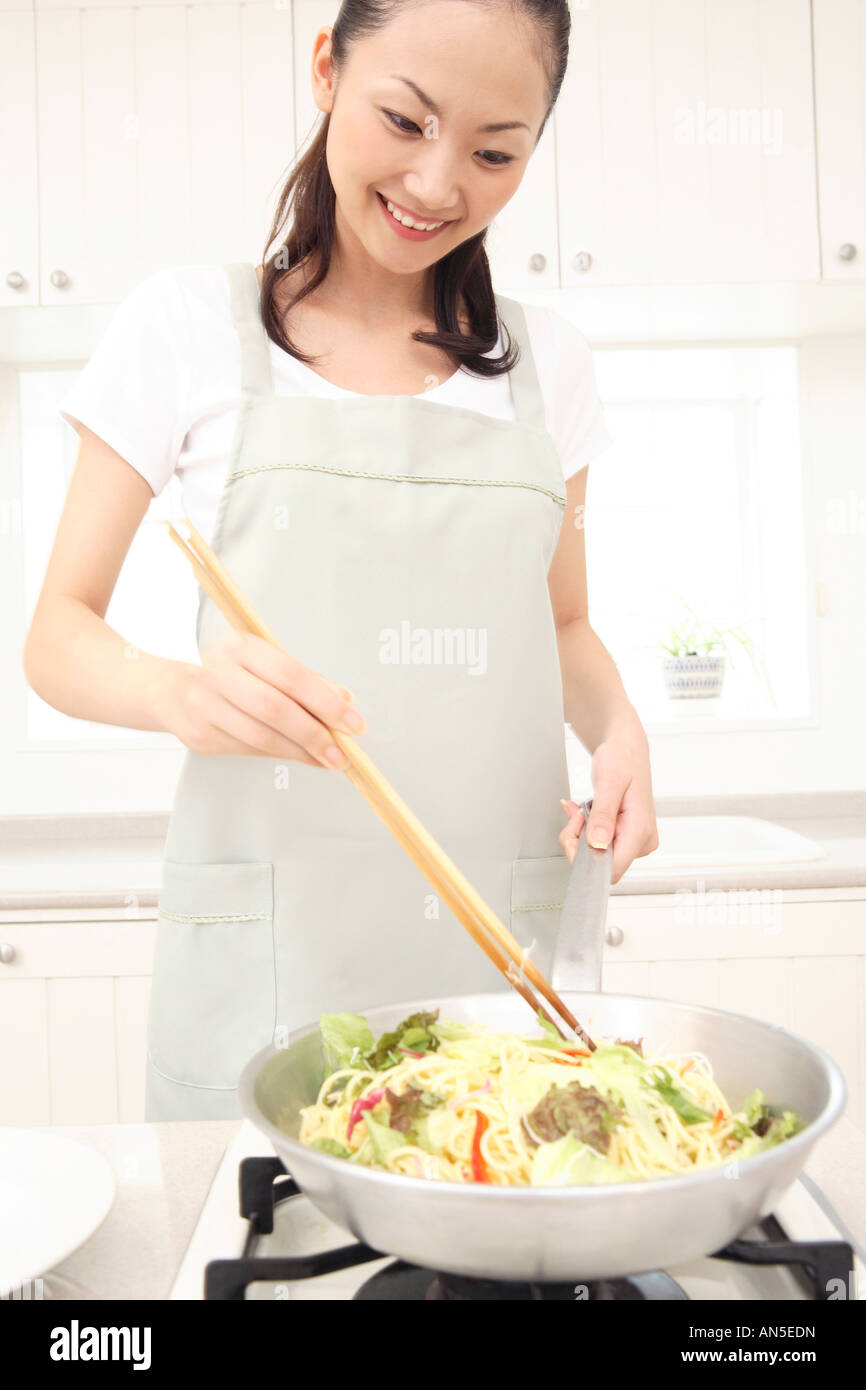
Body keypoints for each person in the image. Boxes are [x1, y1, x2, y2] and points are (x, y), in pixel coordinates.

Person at [24, 0, 659, 1121]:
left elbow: (559, 627)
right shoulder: (183, 327)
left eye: (494, 152)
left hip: (489, 966)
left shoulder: (547, 366)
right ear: (325, 69)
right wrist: (181, 691)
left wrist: (619, 733)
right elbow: (57, 635)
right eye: (404, 119)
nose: (435, 184)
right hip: (268, 973)